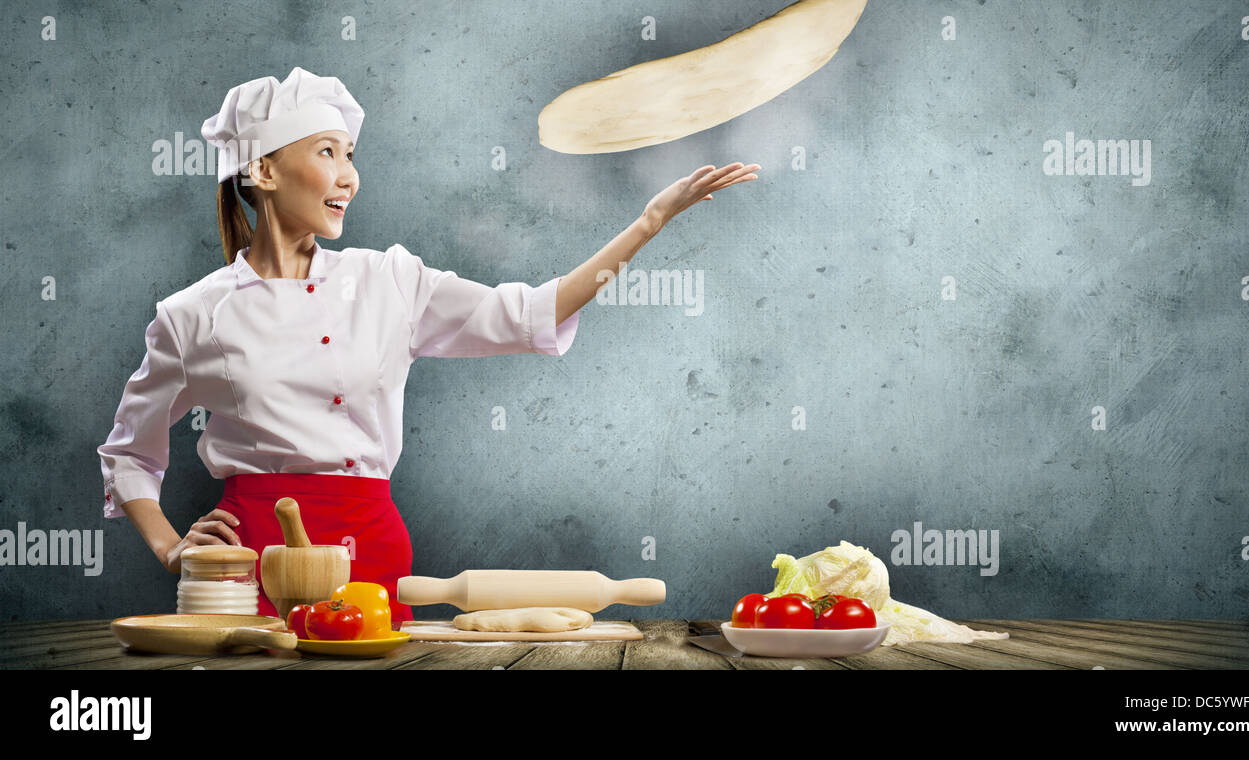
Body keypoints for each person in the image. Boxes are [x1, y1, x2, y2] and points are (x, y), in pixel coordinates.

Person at [98, 66, 759, 628]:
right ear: (263, 170)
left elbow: (526, 311)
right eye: (326, 152)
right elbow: (129, 453)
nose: (348, 177)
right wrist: (171, 548)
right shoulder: (191, 316)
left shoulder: (390, 279)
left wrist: (649, 223)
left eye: (350, 156)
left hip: (377, 559)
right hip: (250, 572)